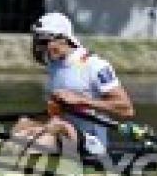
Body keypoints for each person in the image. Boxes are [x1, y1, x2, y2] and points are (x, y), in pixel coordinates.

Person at [11, 12, 135, 160]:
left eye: (44, 42)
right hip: (61, 130)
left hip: (92, 141)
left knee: (47, 134)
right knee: (22, 124)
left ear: (64, 38)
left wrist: (80, 100)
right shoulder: (54, 63)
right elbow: (38, 53)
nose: (40, 48)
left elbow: (127, 110)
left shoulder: (95, 66)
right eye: (38, 43)